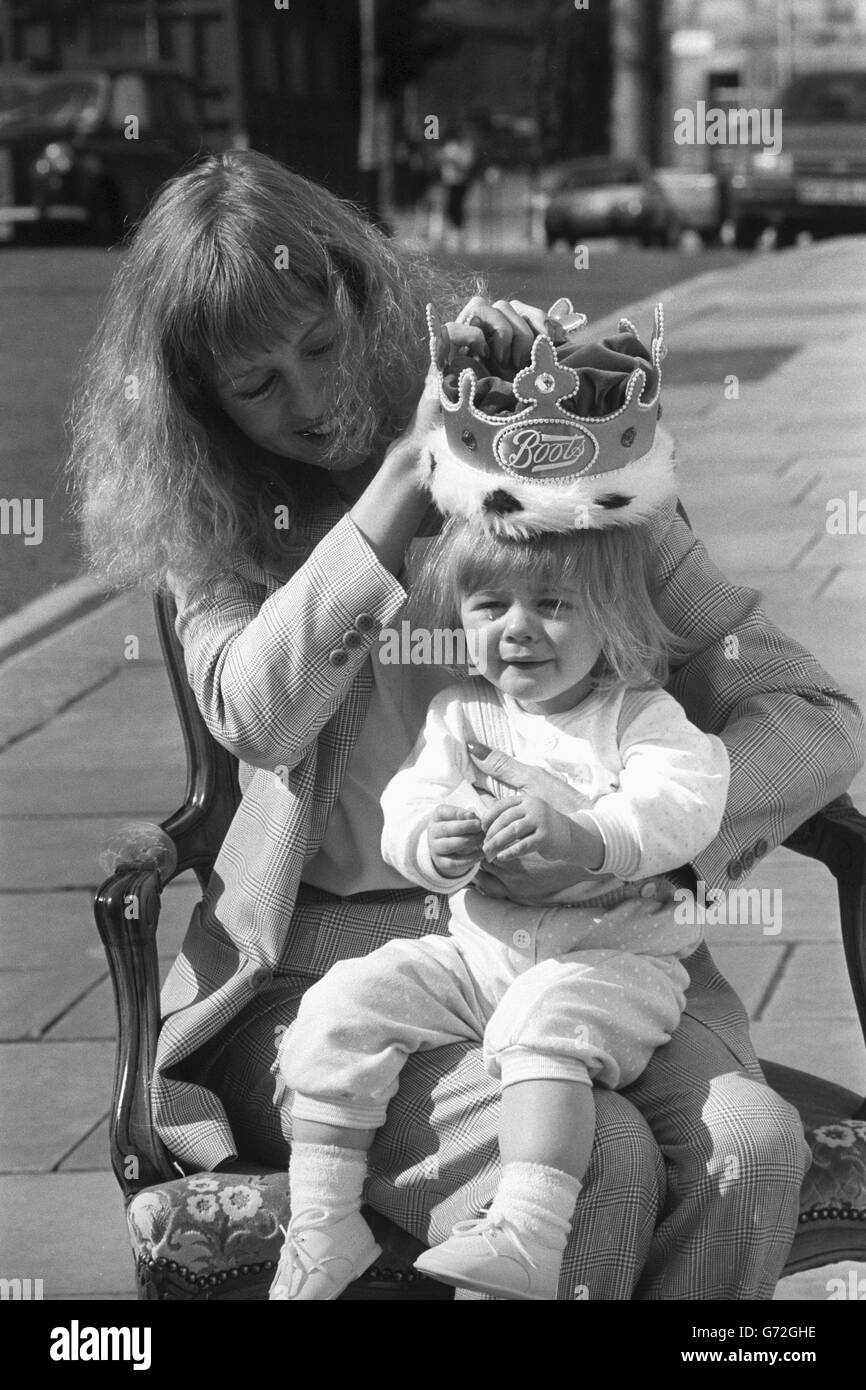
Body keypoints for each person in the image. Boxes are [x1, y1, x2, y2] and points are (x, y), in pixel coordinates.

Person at [68, 149, 862, 1300]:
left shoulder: (558, 470)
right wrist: (400, 482)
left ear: (363, 293)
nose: (309, 399)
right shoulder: (218, 527)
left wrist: (627, 833)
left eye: (322, 345)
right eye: (256, 384)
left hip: (602, 950)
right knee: (605, 1161)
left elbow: (811, 714)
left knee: (750, 1148)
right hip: (323, 971)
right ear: (201, 403)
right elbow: (256, 711)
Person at [275, 385, 733, 1295]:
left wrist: (589, 833)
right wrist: (429, 841)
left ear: (611, 618)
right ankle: (323, 1227)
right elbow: (409, 802)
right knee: (342, 1002)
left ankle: (526, 1231)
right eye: (490, 607)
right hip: (478, 960)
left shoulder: (638, 717)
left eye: (553, 606)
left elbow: (687, 800)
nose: (517, 630)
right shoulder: (461, 714)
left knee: (543, 1021)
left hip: (614, 966)